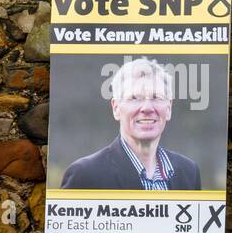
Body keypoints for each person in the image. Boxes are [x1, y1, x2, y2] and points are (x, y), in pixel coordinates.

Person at [61, 57, 201, 191]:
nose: (147, 108)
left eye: (156, 97)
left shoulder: (189, 172)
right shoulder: (84, 176)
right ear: (116, 108)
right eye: (134, 98)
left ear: (169, 107)